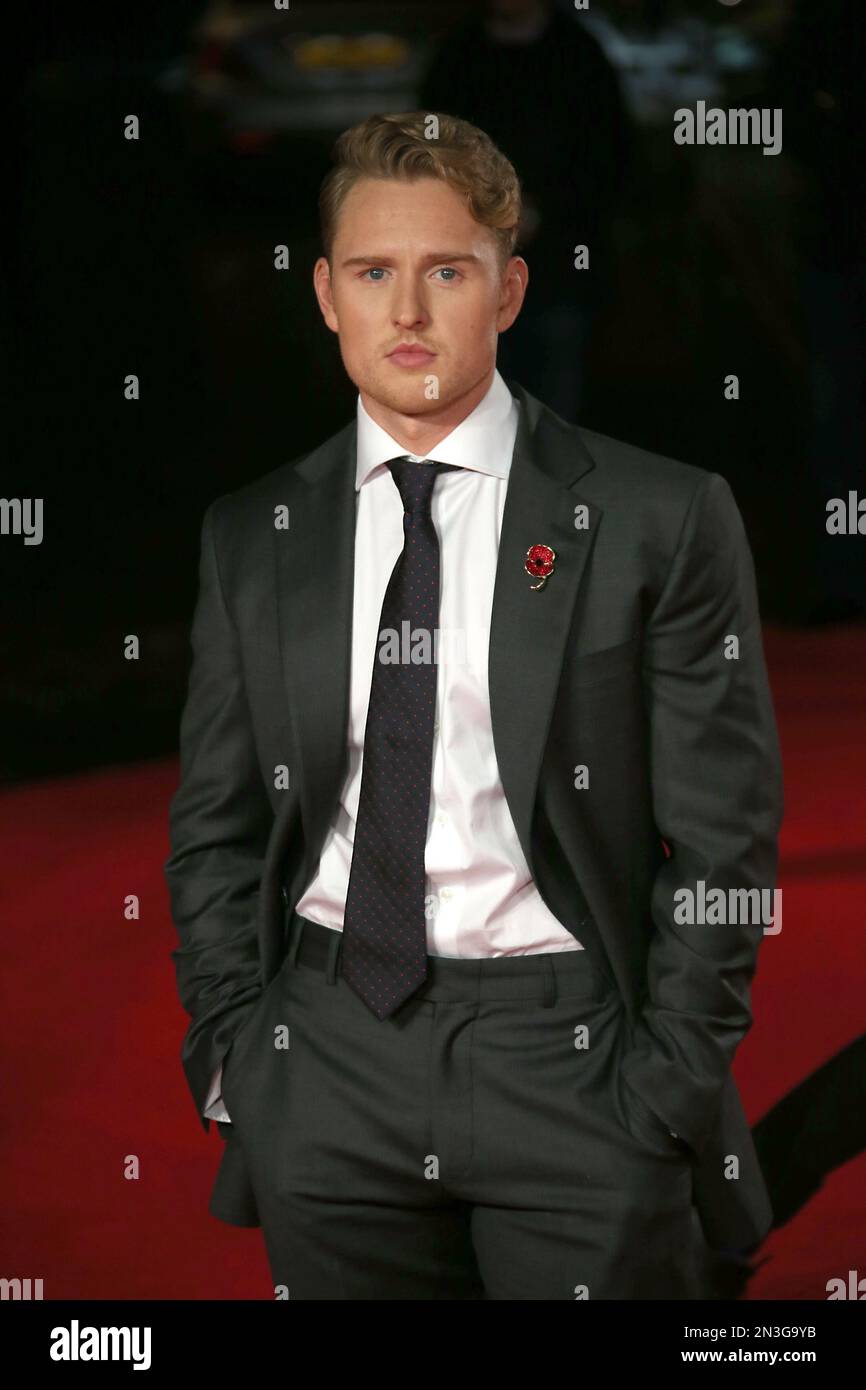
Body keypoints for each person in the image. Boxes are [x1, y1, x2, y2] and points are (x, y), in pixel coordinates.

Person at [165, 111, 783, 1300]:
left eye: (444, 271)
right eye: (372, 274)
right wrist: (239, 1056)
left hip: (573, 1060)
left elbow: (725, 835)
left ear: (506, 290)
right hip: (324, 1055)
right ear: (324, 294)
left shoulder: (659, 517)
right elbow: (215, 826)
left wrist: (664, 1083)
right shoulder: (253, 536)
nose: (406, 314)